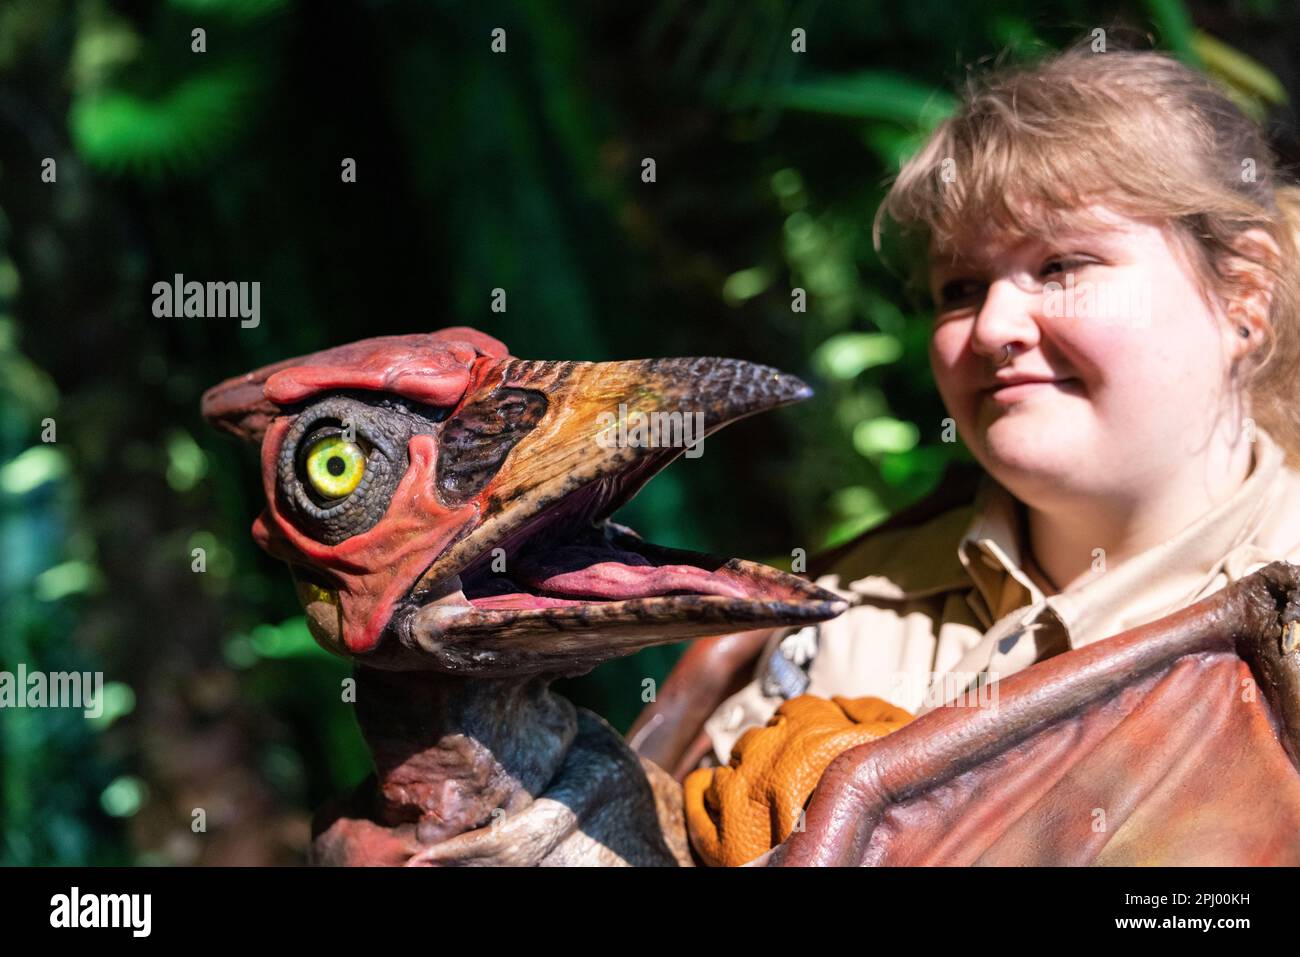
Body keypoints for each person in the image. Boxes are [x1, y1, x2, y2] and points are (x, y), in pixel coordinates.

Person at [630, 43, 1300, 802]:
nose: (990, 328)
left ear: (1244, 294)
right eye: (961, 287)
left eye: (1061, 266)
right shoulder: (851, 612)